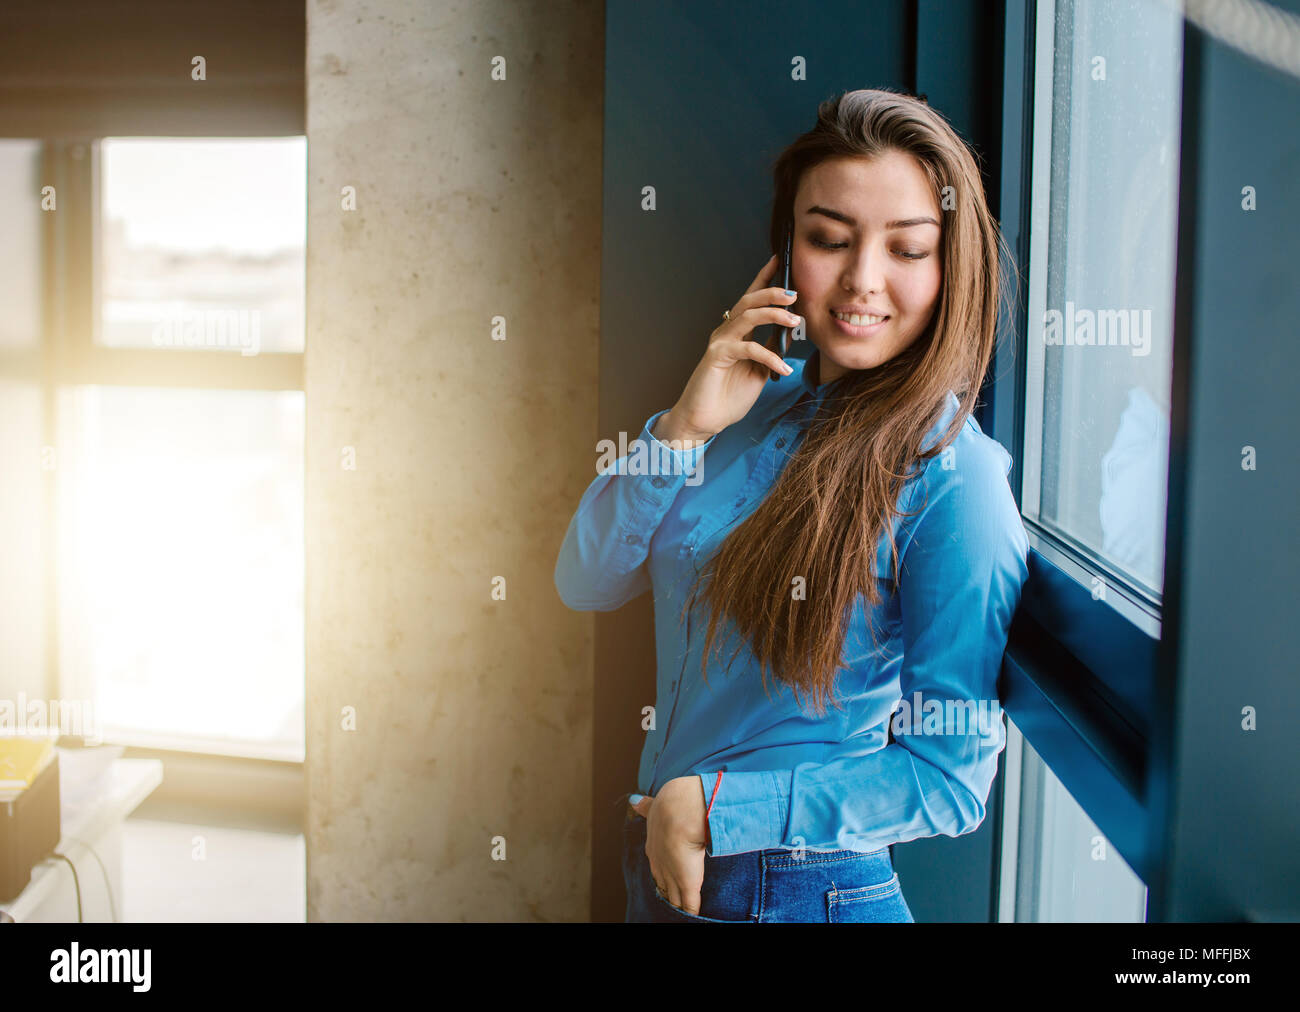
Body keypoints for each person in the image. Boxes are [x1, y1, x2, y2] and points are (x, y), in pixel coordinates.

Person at [555, 88, 1030, 923]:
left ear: (953, 267)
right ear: (785, 249)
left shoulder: (956, 477)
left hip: (796, 888)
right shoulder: (747, 410)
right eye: (828, 239)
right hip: (669, 866)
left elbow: (952, 779)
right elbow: (586, 580)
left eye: (908, 249)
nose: (862, 281)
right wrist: (682, 425)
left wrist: (715, 807)